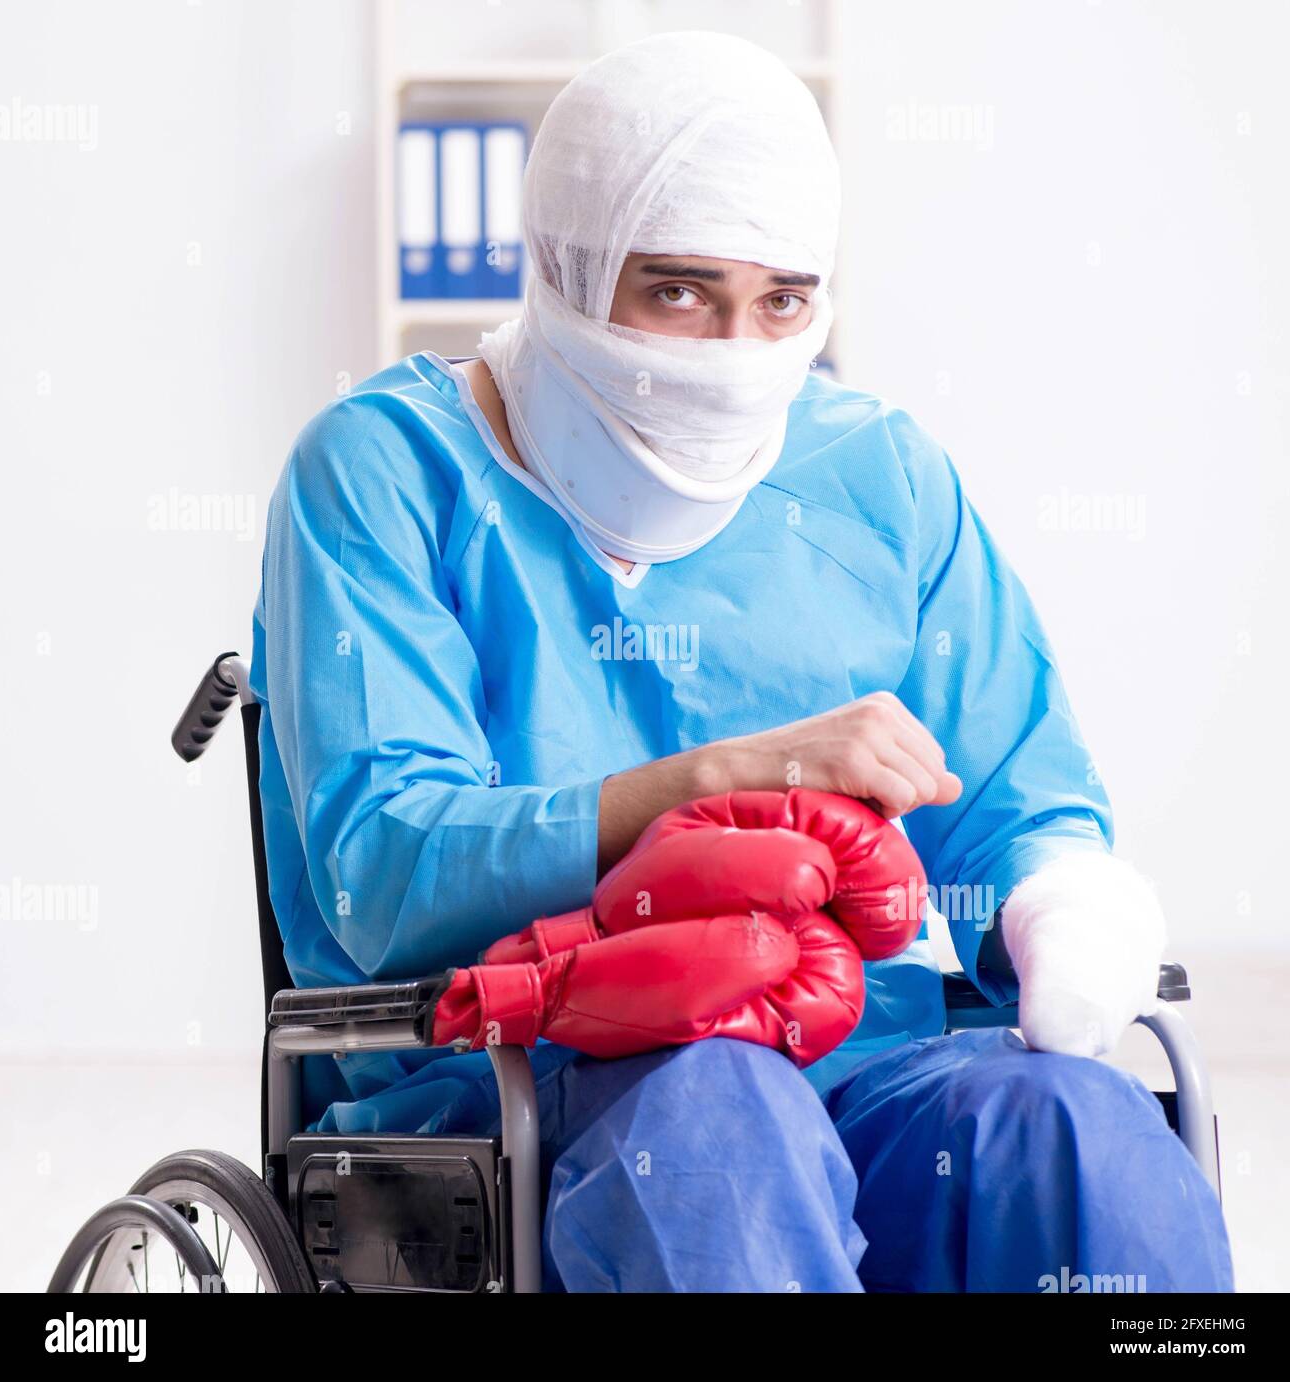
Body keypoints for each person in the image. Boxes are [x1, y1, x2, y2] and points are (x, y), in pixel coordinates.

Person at [250, 31, 1232, 1291]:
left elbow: (1016, 794)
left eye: (780, 301)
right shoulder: (384, 471)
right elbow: (385, 871)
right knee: (720, 1129)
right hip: (526, 1083)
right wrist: (720, 778)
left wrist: (1062, 912)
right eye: (674, 291)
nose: (728, 351)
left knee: (1074, 1132)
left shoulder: (874, 473)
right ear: (560, 265)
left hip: (861, 1062)